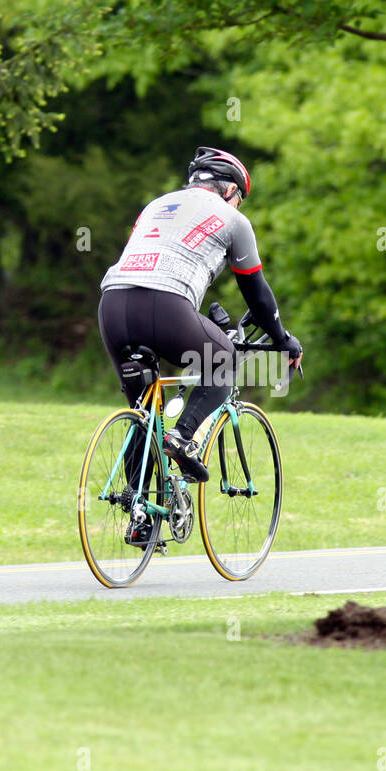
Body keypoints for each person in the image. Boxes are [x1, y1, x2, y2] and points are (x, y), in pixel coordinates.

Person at [98, 146, 302, 542]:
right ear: (229, 190)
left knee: (143, 412)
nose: (239, 203)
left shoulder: (157, 204)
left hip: (112, 303)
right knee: (222, 360)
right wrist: (284, 340)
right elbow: (256, 294)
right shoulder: (233, 218)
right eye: (240, 197)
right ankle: (183, 436)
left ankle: (142, 519)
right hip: (165, 303)